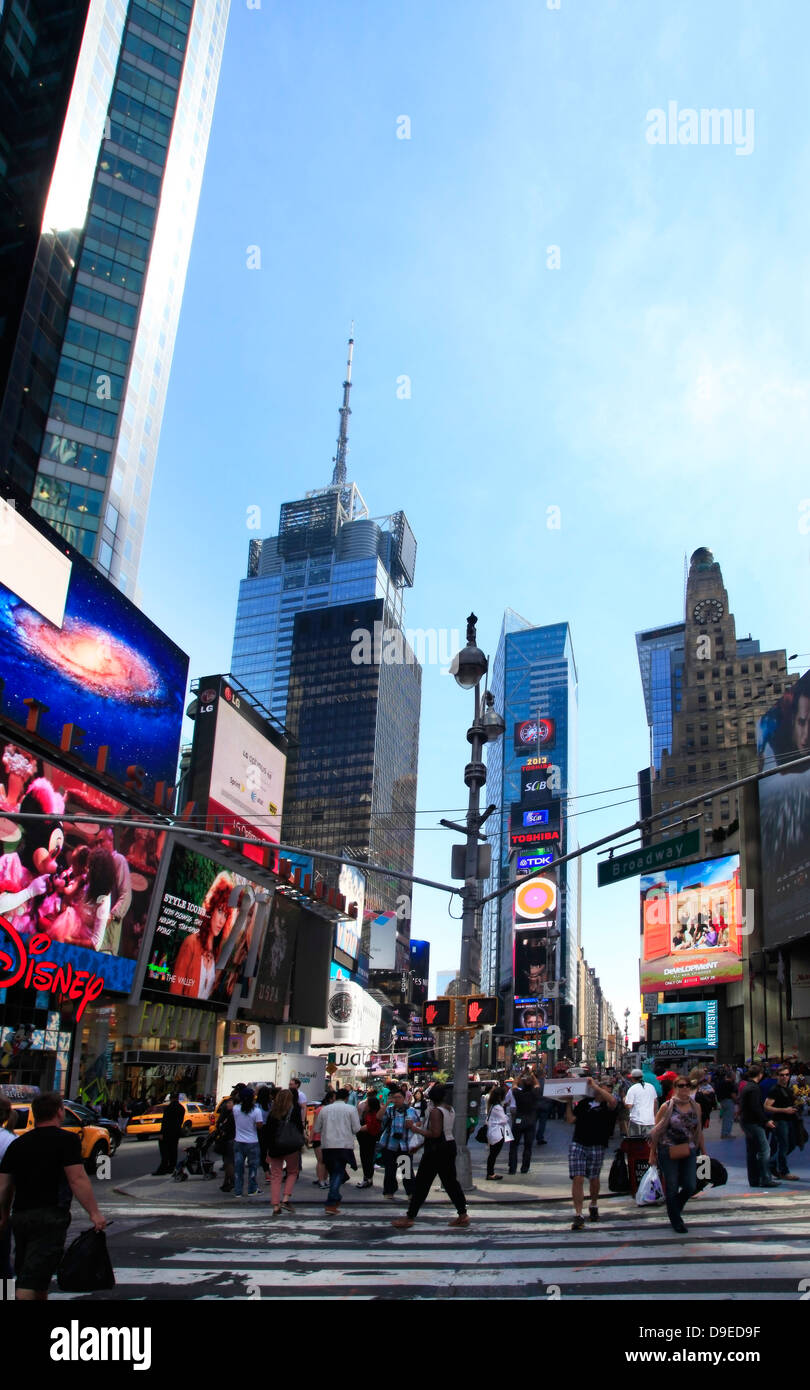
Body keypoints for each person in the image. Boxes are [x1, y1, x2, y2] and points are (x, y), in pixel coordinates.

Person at [0, 1091, 106, 1300]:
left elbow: (4, 1186)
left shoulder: (18, 1143)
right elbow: (77, 1179)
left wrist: (4, 1213)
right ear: (59, 1112)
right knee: (31, 1280)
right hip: (50, 1214)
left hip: (21, 1214)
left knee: (35, 1275)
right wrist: (94, 1213)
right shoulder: (66, 1141)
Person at [392, 1085, 469, 1229]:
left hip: (436, 1150)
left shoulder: (435, 1111)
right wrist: (419, 1146)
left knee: (422, 1183)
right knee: (451, 1182)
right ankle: (462, 1214)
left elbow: (435, 1133)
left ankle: (410, 1217)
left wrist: (414, 1128)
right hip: (448, 1145)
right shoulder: (449, 1109)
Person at [648, 1074, 706, 1235]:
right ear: (675, 1088)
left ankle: (675, 1207)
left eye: (688, 1085)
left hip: (689, 1148)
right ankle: (676, 1219)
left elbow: (699, 1130)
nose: (685, 1088)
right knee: (672, 1185)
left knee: (690, 1185)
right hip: (668, 1149)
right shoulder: (667, 1107)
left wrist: (704, 1151)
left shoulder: (696, 1107)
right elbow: (656, 1132)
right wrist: (652, 1153)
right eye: (681, 1086)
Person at [169, 871, 235, 999]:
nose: (222, 920)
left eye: (226, 915)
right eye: (220, 911)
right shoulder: (191, 943)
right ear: (211, 908)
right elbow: (174, 991)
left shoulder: (217, 954)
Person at [565, 1076, 617, 1230]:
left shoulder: (608, 1106)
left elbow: (613, 1102)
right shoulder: (584, 1103)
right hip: (579, 1142)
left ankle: (593, 1204)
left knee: (594, 1178)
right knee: (578, 1177)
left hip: (597, 1144)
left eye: (607, 1086)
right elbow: (570, 1119)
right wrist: (568, 1102)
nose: (603, 1088)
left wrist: (595, 1085)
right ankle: (579, 1214)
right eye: (603, 1085)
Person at [313, 1087, 361, 1214]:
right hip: (344, 1145)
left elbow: (317, 1128)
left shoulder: (325, 1110)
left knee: (335, 1171)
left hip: (328, 1145)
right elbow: (356, 1128)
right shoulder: (351, 1109)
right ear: (346, 1098)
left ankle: (335, 1198)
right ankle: (331, 1200)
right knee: (338, 1172)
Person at [739, 1064, 780, 1188]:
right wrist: (765, 1121)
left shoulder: (747, 1087)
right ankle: (765, 1178)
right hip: (753, 1123)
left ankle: (755, 1179)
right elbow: (756, 1107)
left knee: (752, 1151)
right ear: (760, 1075)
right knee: (764, 1150)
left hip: (747, 1121)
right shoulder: (754, 1088)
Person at [265, 1088, 304, 1214]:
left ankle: (275, 1205)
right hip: (291, 1145)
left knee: (276, 1175)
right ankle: (286, 1198)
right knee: (293, 1172)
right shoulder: (295, 1111)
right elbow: (299, 1128)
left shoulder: (272, 1113)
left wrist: (268, 1150)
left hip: (275, 1146)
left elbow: (268, 1133)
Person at [377, 1088, 418, 1199]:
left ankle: (411, 1192)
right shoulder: (389, 1110)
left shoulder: (411, 1110)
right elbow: (379, 1117)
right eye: (394, 1097)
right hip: (390, 1144)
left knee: (407, 1170)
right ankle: (389, 1192)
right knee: (390, 1170)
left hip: (405, 1145)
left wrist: (412, 1125)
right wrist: (386, 1104)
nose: (396, 1100)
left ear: (404, 1098)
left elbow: (419, 1123)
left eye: (399, 1097)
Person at [765, 1066, 800, 1180]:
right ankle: (783, 1170)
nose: (784, 1077)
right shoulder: (775, 1090)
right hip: (780, 1121)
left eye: (786, 1075)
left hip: (789, 1121)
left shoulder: (788, 1089)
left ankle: (772, 1164)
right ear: (777, 1076)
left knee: (791, 1144)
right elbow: (766, 1106)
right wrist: (784, 1110)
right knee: (784, 1146)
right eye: (782, 1075)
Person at [232, 1087, 263, 1196]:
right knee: (253, 1167)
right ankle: (252, 1189)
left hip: (238, 1141)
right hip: (252, 1141)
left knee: (238, 1168)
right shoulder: (256, 1111)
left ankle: (238, 1191)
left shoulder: (235, 1109)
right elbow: (259, 1126)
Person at [508, 1072, 541, 1175]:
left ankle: (512, 1168)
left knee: (514, 1145)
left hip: (519, 1120)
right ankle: (525, 1168)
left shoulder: (518, 1094)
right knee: (528, 1146)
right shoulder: (534, 1094)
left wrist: (521, 1075)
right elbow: (537, 1084)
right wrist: (532, 1075)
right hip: (531, 1121)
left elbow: (514, 1084)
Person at [153, 1091, 184, 1175]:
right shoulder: (181, 1108)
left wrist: (161, 1133)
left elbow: (165, 1122)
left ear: (171, 1098)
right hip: (176, 1132)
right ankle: (171, 1167)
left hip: (167, 1133)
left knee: (164, 1151)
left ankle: (163, 1168)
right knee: (173, 1150)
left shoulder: (169, 1108)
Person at [485, 1086, 512, 1181]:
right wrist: (506, 1117)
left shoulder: (493, 1105)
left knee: (492, 1154)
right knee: (493, 1154)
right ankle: (490, 1173)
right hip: (496, 1134)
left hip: (494, 1133)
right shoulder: (497, 1107)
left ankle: (490, 1173)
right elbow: (504, 1119)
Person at [356, 1094, 382, 1188]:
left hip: (368, 1139)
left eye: (367, 1104)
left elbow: (369, 1126)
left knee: (367, 1159)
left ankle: (367, 1179)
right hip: (365, 1139)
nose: (365, 1105)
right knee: (366, 1159)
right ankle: (367, 1178)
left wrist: (357, 1129)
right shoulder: (367, 1113)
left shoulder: (373, 1114)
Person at [624, 1068, 657, 1138]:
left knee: (635, 1144)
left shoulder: (632, 1089)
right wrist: (655, 1116)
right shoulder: (651, 1087)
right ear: (642, 1077)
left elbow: (629, 1106)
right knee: (649, 1145)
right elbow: (655, 1103)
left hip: (636, 1121)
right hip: (650, 1121)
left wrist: (624, 1100)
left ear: (632, 1078)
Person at [214, 1097, 236, 1192]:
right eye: (227, 1103)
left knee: (229, 1163)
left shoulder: (233, 1115)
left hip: (230, 1140)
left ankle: (233, 1182)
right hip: (227, 1140)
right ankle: (227, 1183)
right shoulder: (227, 1114)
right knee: (228, 1163)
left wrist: (223, 1128)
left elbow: (226, 1128)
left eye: (230, 1103)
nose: (228, 1104)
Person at [715, 1067, 737, 1139]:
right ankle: (726, 1133)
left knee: (725, 1118)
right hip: (729, 1101)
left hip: (722, 1101)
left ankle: (724, 1133)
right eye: (734, 1075)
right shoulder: (731, 1084)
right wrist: (737, 1100)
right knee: (729, 1118)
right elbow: (733, 1094)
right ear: (732, 1076)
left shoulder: (721, 1082)